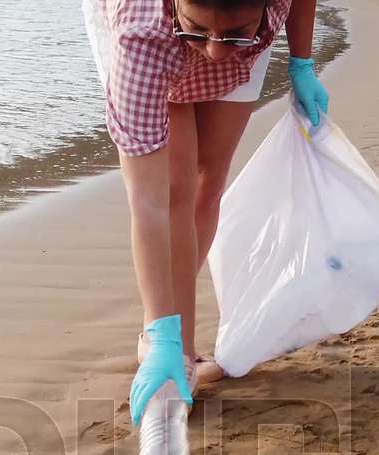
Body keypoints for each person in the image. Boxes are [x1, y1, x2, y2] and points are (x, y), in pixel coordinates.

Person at [82, 0, 330, 424]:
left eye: (234, 32)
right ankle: (174, 347)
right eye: (199, 31)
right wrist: (167, 339)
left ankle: (162, 330)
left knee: (208, 180)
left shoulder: (253, 21)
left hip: (222, 29)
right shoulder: (138, 35)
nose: (214, 50)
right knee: (175, 189)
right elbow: (148, 200)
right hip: (159, 37)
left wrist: (301, 63)